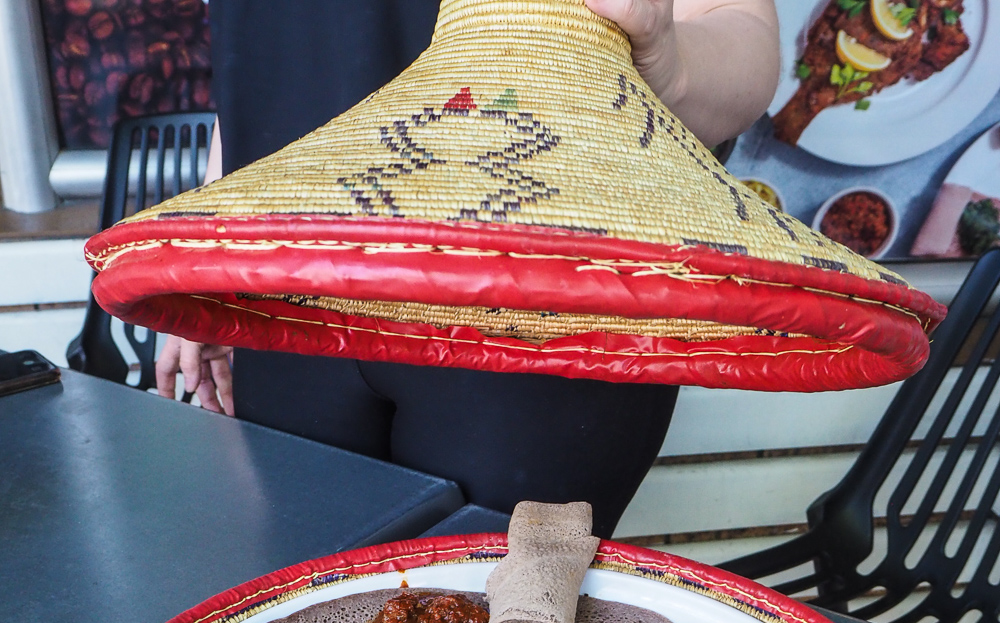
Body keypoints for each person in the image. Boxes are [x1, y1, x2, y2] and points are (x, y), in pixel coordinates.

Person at [155, 0, 779, 537]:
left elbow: (739, 24)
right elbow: (280, 50)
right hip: (288, 291)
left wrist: (670, 65)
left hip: (534, 315)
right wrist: (214, 240)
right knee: (309, 616)